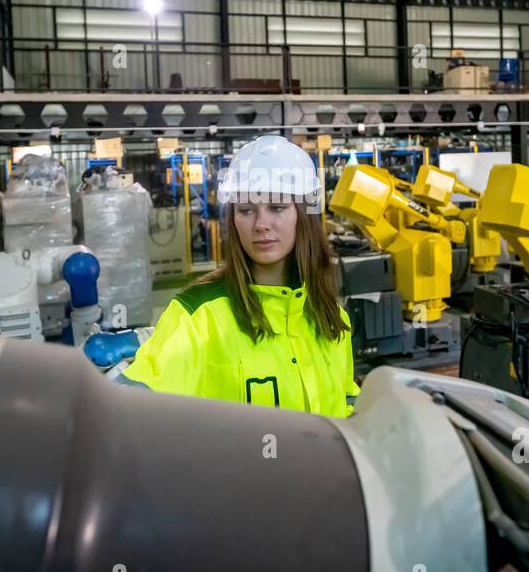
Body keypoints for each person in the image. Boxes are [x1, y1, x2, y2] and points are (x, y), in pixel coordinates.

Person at [122, 135, 358, 417]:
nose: (261, 225)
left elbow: (346, 409)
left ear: (303, 215)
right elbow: (134, 415)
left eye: (277, 207)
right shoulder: (198, 317)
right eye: (246, 210)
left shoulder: (330, 318)